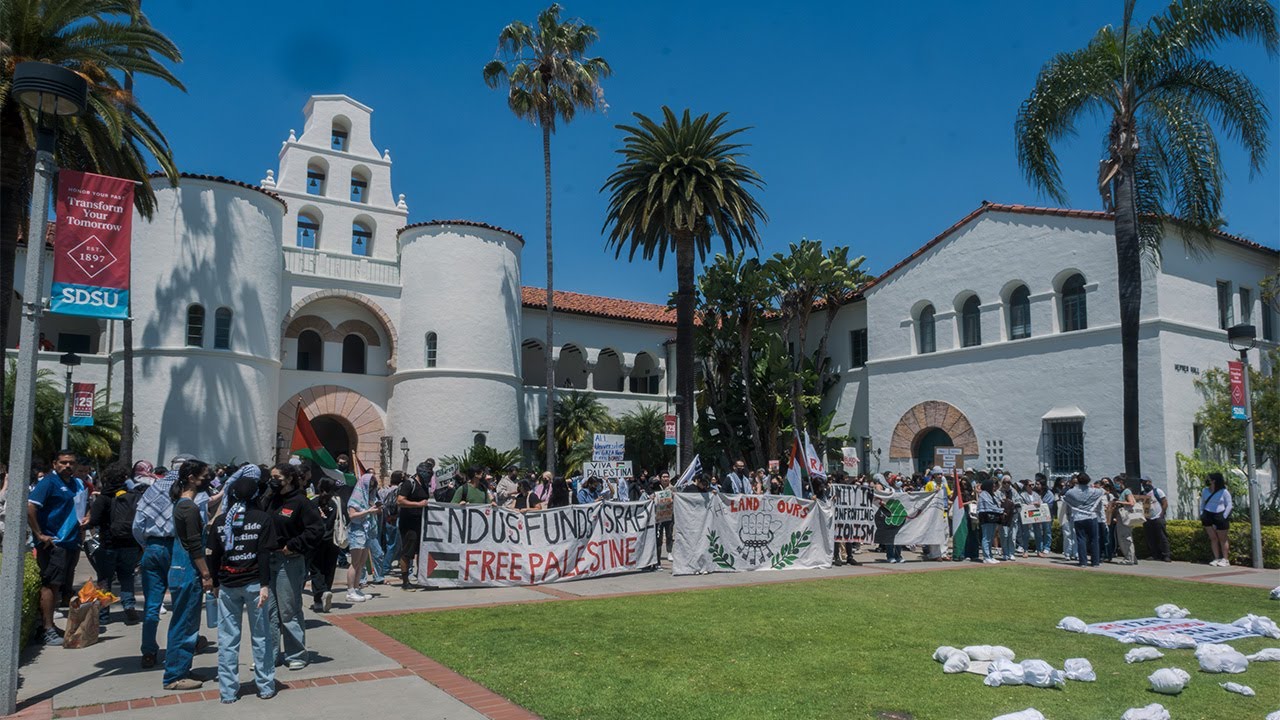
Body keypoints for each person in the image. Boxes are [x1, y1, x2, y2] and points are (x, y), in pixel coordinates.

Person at [208, 468, 278, 703]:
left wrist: (215, 582)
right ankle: (265, 685)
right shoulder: (262, 519)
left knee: (228, 638)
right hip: (255, 584)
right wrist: (266, 585)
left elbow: (213, 554)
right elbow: (265, 554)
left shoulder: (220, 521)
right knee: (261, 637)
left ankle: (228, 691)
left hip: (228, 584)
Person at [263, 462, 322, 671]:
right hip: (267, 561)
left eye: (277, 477)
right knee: (268, 611)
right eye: (272, 477)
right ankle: (268, 655)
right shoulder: (270, 499)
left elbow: (316, 530)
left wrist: (294, 545)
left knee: (289, 610)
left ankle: (296, 653)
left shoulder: (301, 503)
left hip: (289, 561)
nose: (273, 481)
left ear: (289, 479)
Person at [26, 450, 87, 646]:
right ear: (54, 464)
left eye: (71, 463)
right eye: (63, 463)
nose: (68, 466)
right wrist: (39, 534)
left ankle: (49, 625)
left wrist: (87, 518)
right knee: (50, 585)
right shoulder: (48, 483)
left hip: (71, 542)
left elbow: (83, 506)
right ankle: (46, 629)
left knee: (59, 585)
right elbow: (30, 507)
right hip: (53, 543)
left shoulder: (77, 483)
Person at [163, 459, 213, 691]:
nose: (207, 480)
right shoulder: (188, 508)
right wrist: (206, 573)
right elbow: (194, 545)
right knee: (184, 624)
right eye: (204, 476)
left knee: (187, 622)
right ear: (191, 478)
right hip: (187, 571)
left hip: (182, 569)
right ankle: (174, 675)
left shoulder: (183, 505)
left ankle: (182, 668)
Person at [86, 460, 143, 627]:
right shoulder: (132, 497)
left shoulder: (103, 498)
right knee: (127, 576)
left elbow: (94, 520)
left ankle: (103, 616)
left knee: (104, 579)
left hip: (109, 544)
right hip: (130, 544)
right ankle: (129, 605)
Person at [395, 463, 432, 589]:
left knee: (421, 552)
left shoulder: (425, 485)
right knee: (407, 553)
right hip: (408, 524)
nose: (429, 475)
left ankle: (421, 578)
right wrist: (418, 504)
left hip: (420, 523)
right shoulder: (409, 483)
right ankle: (405, 582)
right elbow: (400, 501)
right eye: (427, 472)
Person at [344, 471, 379, 603]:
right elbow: (352, 516)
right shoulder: (356, 498)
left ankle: (356, 587)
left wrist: (374, 508)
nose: (370, 488)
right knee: (355, 562)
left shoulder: (369, 498)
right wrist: (368, 511)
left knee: (362, 563)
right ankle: (350, 591)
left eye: (372, 485)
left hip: (366, 532)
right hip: (357, 532)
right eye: (369, 485)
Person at [309, 477, 341, 613]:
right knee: (329, 568)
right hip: (332, 540)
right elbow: (343, 517)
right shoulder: (337, 502)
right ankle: (326, 590)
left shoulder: (313, 502)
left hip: (316, 540)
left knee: (316, 569)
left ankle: (318, 597)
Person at [1062, 472, 1104, 568]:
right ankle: (1095, 562)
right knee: (1094, 539)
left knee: (1081, 539)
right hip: (1091, 516)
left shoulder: (1072, 492)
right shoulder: (1094, 491)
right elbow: (1102, 491)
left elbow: (1065, 496)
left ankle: (1083, 562)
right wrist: (1093, 486)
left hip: (1078, 517)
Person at [1200, 471, 1233, 567]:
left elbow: (1229, 504)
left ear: (1214, 481)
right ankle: (1216, 558)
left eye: (1209, 479)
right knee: (1213, 538)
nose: (1207, 481)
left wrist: (1224, 516)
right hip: (1207, 514)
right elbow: (1202, 503)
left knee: (1222, 538)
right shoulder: (1205, 491)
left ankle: (1225, 559)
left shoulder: (1223, 491)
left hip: (1219, 514)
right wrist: (1202, 513)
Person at [1137, 476, 1172, 562]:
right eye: (1142, 483)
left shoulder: (1157, 491)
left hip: (1158, 517)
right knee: (1150, 537)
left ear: (1150, 482)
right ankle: (1154, 554)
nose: (1144, 484)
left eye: (1145, 482)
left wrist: (1162, 514)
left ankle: (1166, 555)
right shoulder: (1143, 493)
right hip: (1148, 518)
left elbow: (1165, 503)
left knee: (1162, 537)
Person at [377, 471, 403, 578]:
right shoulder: (399, 492)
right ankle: (386, 567)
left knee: (388, 544)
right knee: (394, 544)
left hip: (384, 519)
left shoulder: (383, 491)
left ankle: (386, 566)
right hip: (394, 519)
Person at [1112, 476, 1138, 565]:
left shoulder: (1127, 491)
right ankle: (1132, 557)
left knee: (1125, 537)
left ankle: (1129, 558)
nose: (1116, 484)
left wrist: (1119, 502)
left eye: (1116, 482)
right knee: (1124, 537)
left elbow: (1131, 503)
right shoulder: (1123, 492)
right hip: (1121, 517)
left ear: (1121, 482)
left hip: (1125, 517)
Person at [976, 478, 1001, 564]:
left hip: (992, 517)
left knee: (990, 537)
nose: (994, 486)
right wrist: (1001, 510)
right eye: (992, 485)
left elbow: (996, 504)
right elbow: (989, 506)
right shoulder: (984, 494)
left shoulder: (991, 494)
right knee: (986, 537)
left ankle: (990, 555)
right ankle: (986, 556)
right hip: (986, 517)